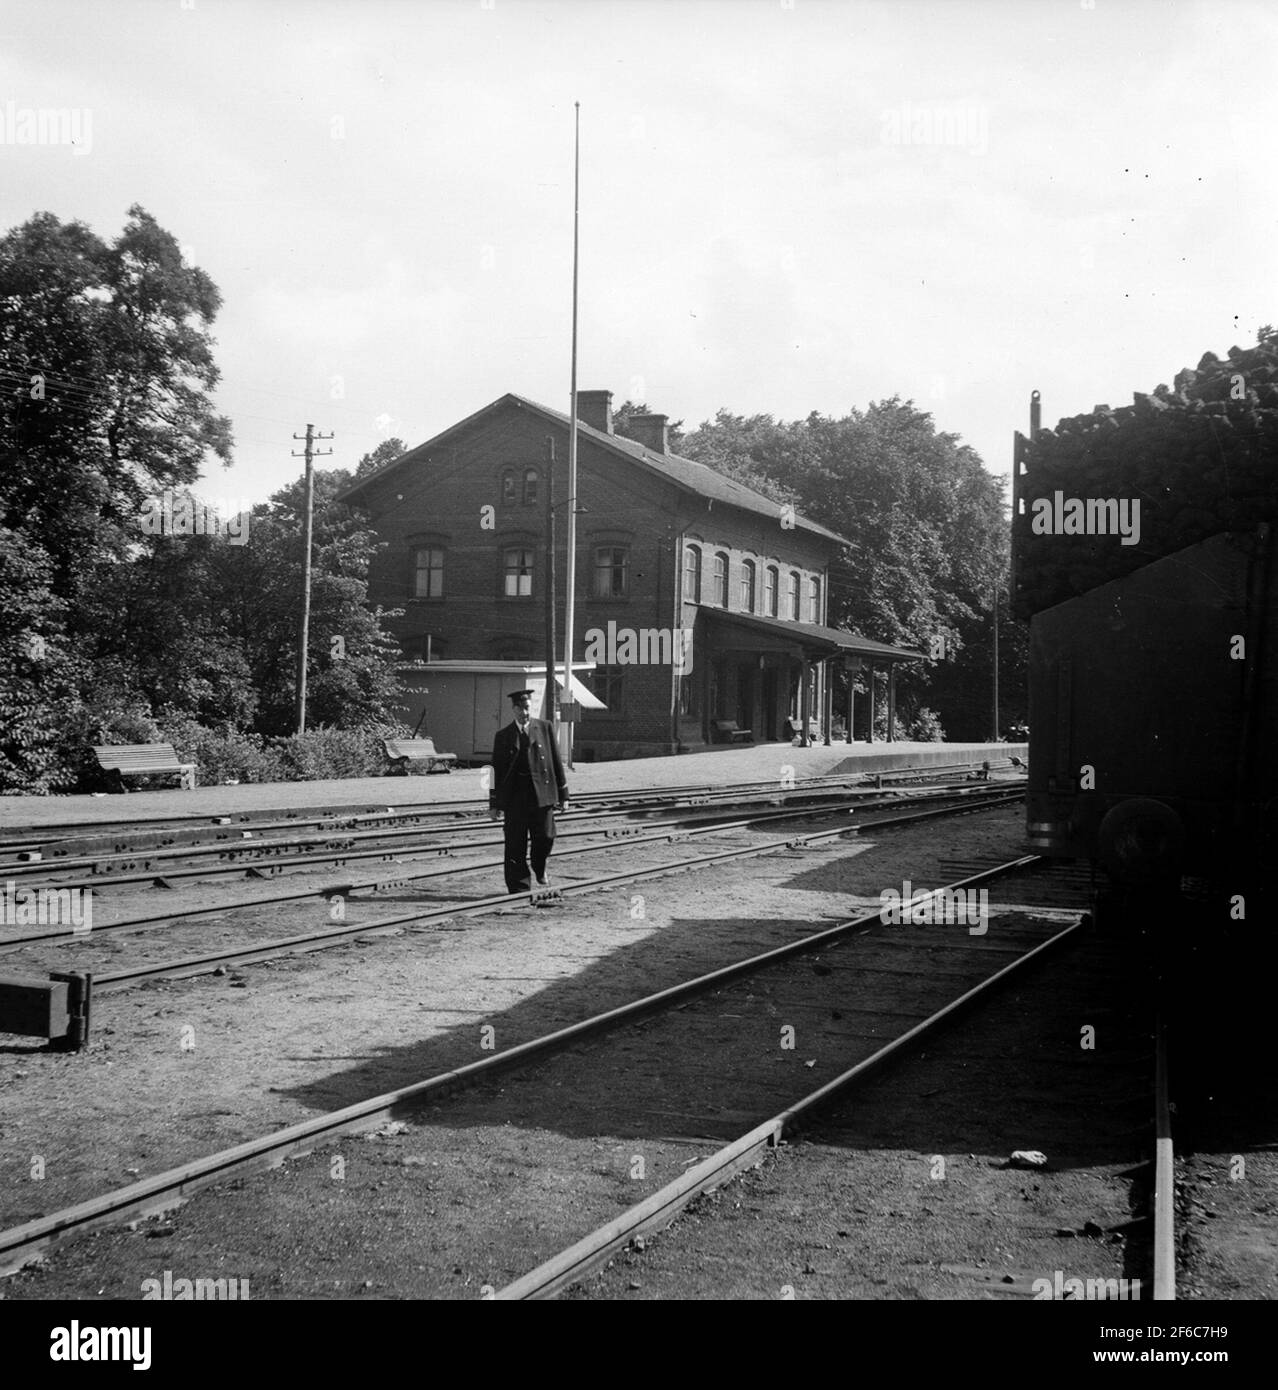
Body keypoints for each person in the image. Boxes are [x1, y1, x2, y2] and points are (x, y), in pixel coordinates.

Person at [489, 688, 568, 895]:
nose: (525, 712)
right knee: (515, 844)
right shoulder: (503, 736)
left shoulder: (544, 728)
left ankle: (539, 866)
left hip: (541, 796)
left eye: (527, 707)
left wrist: (563, 794)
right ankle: (519, 889)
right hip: (515, 799)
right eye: (520, 709)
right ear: (513, 710)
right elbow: (494, 772)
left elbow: (556, 762)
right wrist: (494, 804)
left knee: (546, 836)